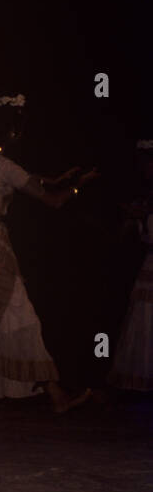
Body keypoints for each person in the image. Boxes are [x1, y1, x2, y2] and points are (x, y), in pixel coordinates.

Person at [0, 94, 96, 413]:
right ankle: (56, 396)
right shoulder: (4, 165)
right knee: (20, 313)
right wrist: (80, 185)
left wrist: (55, 178)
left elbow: (17, 180)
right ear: (10, 129)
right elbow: (52, 201)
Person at [109, 139, 153, 392]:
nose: (145, 169)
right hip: (149, 261)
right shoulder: (146, 196)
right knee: (144, 317)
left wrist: (143, 216)